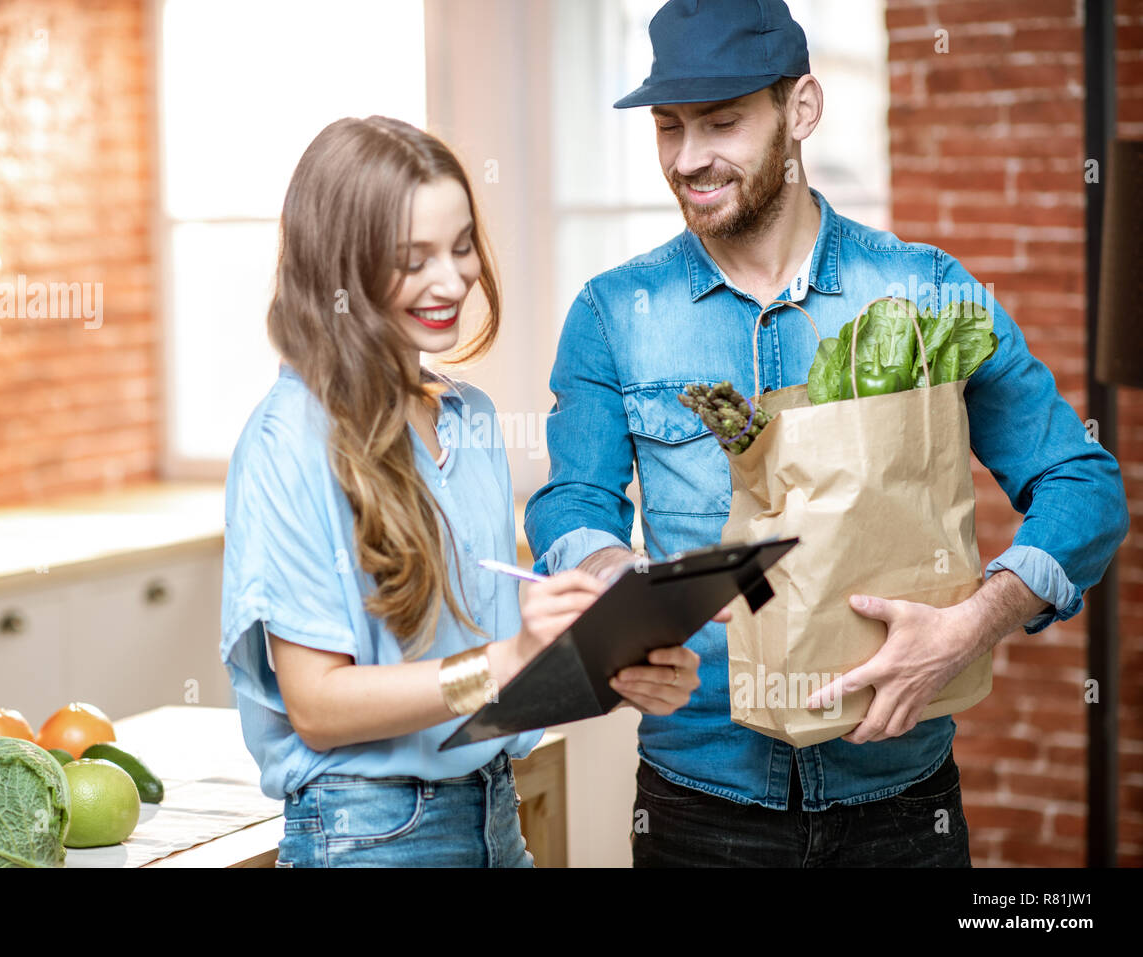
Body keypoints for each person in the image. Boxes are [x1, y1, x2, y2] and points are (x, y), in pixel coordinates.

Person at [524, 0, 1129, 867]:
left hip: (901, 803)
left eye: (723, 122)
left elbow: (1084, 485)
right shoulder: (612, 313)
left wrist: (975, 622)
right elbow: (572, 502)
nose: (690, 158)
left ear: (801, 110)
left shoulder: (924, 291)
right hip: (699, 806)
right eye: (669, 127)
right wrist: (616, 587)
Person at [219, 115, 716, 867]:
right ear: (341, 269)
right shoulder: (288, 439)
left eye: (460, 248)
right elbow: (317, 706)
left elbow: (490, 661)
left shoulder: (469, 419)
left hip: (493, 812)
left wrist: (610, 667)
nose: (452, 280)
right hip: (366, 834)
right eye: (411, 259)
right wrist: (507, 658)